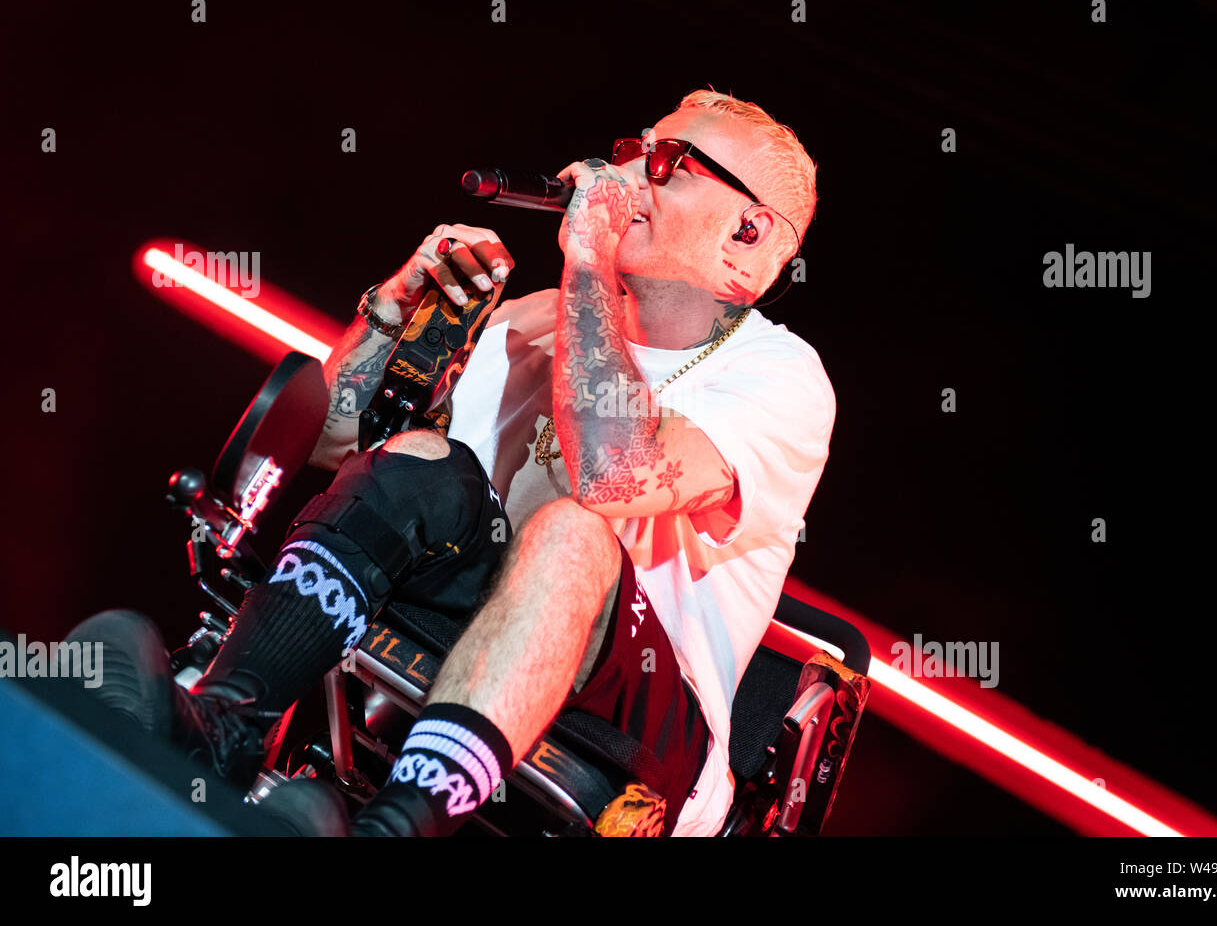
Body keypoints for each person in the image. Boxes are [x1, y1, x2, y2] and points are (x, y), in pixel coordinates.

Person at [78, 89, 834, 837]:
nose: (627, 170)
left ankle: (401, 825)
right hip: (483, 626)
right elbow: (340, 445)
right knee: (420, 459)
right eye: (634, 148)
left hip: (647, 738)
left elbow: (614, 474)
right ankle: (223, 725)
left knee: (572, 530)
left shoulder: (779, 375)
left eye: (669, 161)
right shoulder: (536, 319)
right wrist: (390, 310)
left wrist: (589, 261)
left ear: (748, 231)